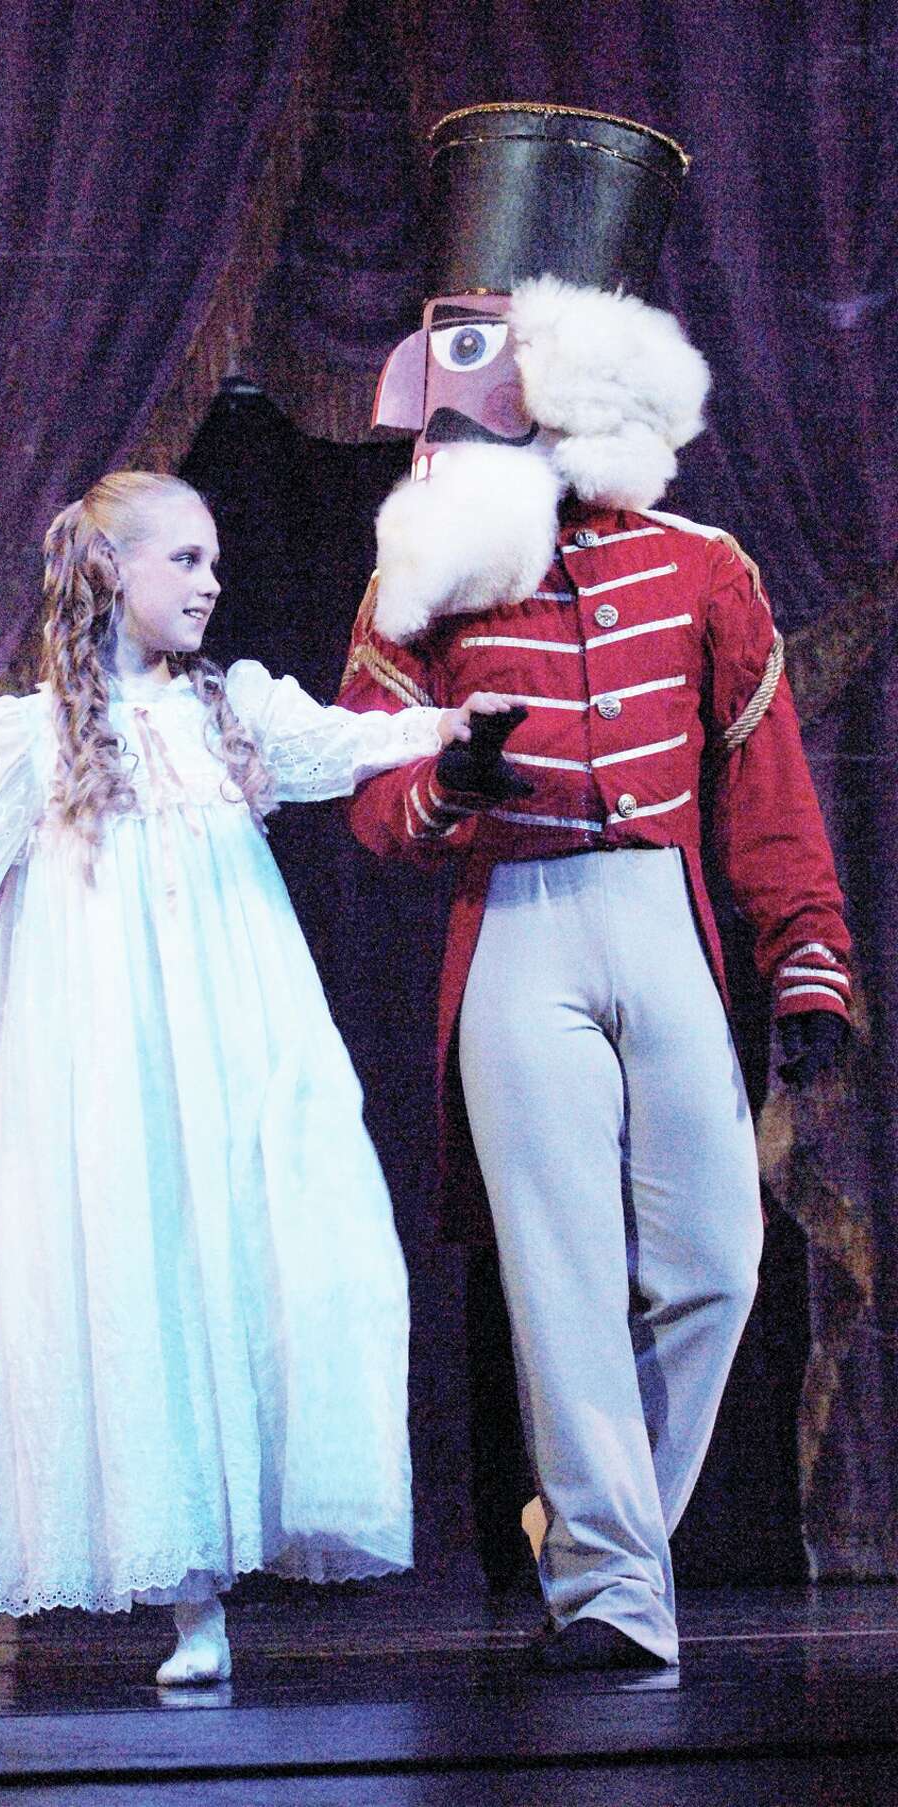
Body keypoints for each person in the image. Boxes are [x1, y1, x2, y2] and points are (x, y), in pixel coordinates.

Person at [0, 470, 510, 1684]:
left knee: (276, 1251)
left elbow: (337, 741)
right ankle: (192, 1600)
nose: (210, 581)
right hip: (110, 1055)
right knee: (144, 1278)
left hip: (240, 1036)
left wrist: (437, 729)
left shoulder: (229, 710)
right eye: (184, 559)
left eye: (213, 560)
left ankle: (240, 1547)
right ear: (109, 570)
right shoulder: (31, 737)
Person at [338, 106, 852, 1673]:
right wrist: (453, 783)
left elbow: (766, 788)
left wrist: (810, 955)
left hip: (655, 915)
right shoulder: (424, 581)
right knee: (561, 1273)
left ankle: (596, 1526)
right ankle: (619, 1590)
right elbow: (372, 794)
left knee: (716, 1263)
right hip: (519, 926)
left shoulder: (702, 567)